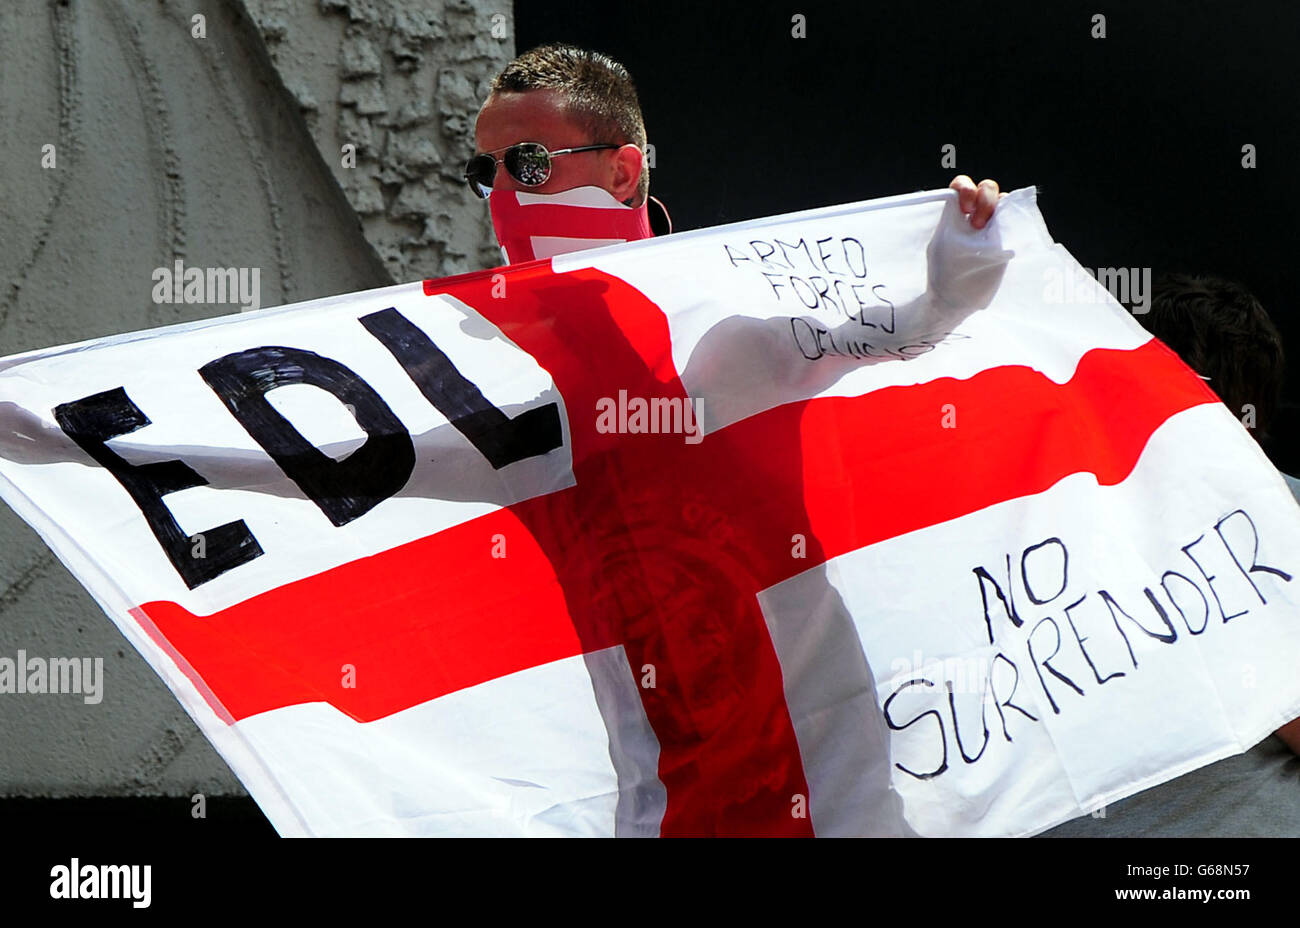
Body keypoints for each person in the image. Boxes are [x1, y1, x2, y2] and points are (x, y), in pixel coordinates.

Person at [465, 43, 1002, 265]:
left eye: (528, 162)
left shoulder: (739, 296)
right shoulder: (458, 342)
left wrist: (955, 269)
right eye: (485, 171)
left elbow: (893, 344)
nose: (503, 195)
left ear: (623, 172)